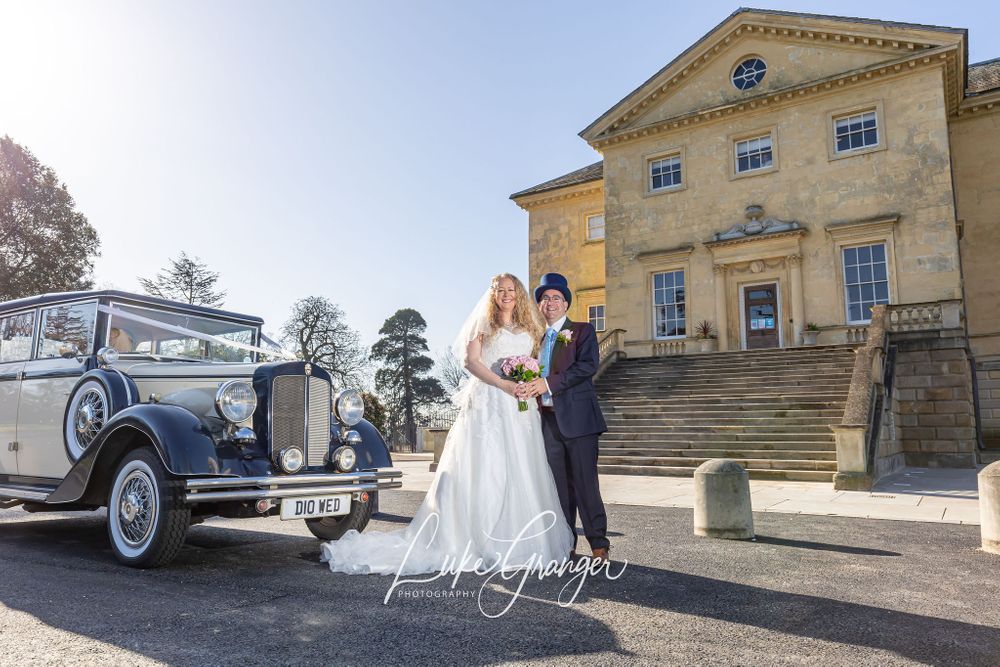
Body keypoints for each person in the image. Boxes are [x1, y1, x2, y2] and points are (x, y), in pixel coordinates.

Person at [320, 273, 574, 575]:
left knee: (522, 468)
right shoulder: (484, 325)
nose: (506, 295)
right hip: (489, 401)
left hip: (519, 407)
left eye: (511, 290)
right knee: (484, 468)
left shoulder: (530, 328)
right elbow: (471, 362)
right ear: (492, 294)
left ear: (518, 295)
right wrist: (503, 385)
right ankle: (474, 540)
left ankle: (523, 542)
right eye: (500, 290)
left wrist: (527, 382)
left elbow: (535, 363)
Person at [518, 272, 610, 562]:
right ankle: (565, 543)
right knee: (558, 489)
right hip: (546, 422)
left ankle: (599, 545)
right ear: (540, 306)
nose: (550, 302)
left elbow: (587, 367)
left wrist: (547, 383)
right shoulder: (535, 340)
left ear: (566, 303)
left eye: (556, 297)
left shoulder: (583, 331)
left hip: (580, 421)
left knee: (585, 485)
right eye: (545, 298)